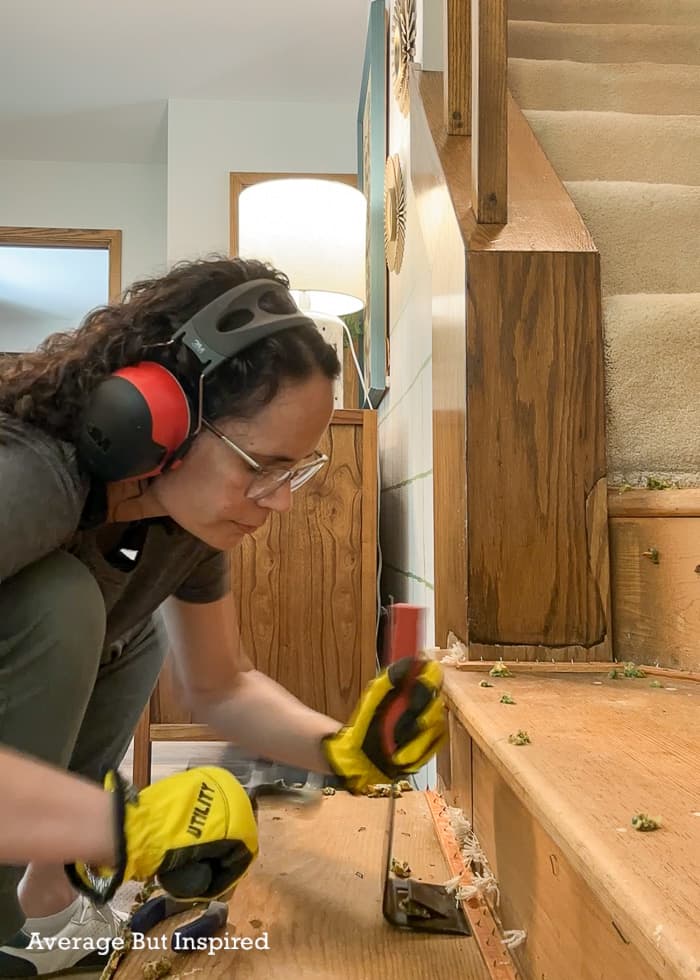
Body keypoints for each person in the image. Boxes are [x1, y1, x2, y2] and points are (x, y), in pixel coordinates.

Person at [0, 257, 446, 977]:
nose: (281, 501)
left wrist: (342, 752)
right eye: (260, 466)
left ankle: (44, 897)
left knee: (131, 632)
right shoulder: (28, 483)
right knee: (63, 605)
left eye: (294, 471)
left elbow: (221, 685)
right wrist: (124, 826)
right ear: (156, 422)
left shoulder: (177, 527)